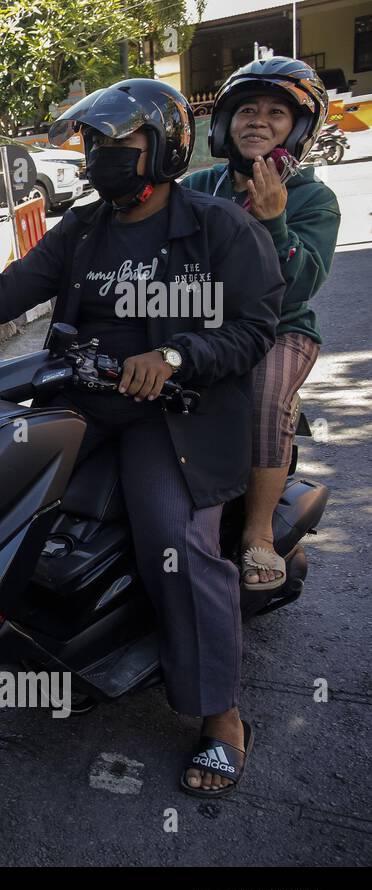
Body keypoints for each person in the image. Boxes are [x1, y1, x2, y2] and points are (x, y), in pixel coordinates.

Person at [0, 79, 283, 796]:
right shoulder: (83, 229)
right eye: (97, 145)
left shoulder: (217, 228)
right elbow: (13, 287)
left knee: (174, 541)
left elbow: (254, 328)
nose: (105, 157)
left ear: (165, 148)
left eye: (122, 144)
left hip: (171, 416)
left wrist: (173, 355)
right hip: (80, 400)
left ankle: (222, 717)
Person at [183, 57, 340, 592]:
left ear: (297, 129)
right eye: (247, 109)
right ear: (226, 122)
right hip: (201, 322)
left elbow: (297, 288)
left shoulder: (314, 199)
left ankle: (257, 535)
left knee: (266, 395)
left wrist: (275, 221)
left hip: (281, 331)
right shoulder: (200, 185)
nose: (258, 120)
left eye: (276, 113)